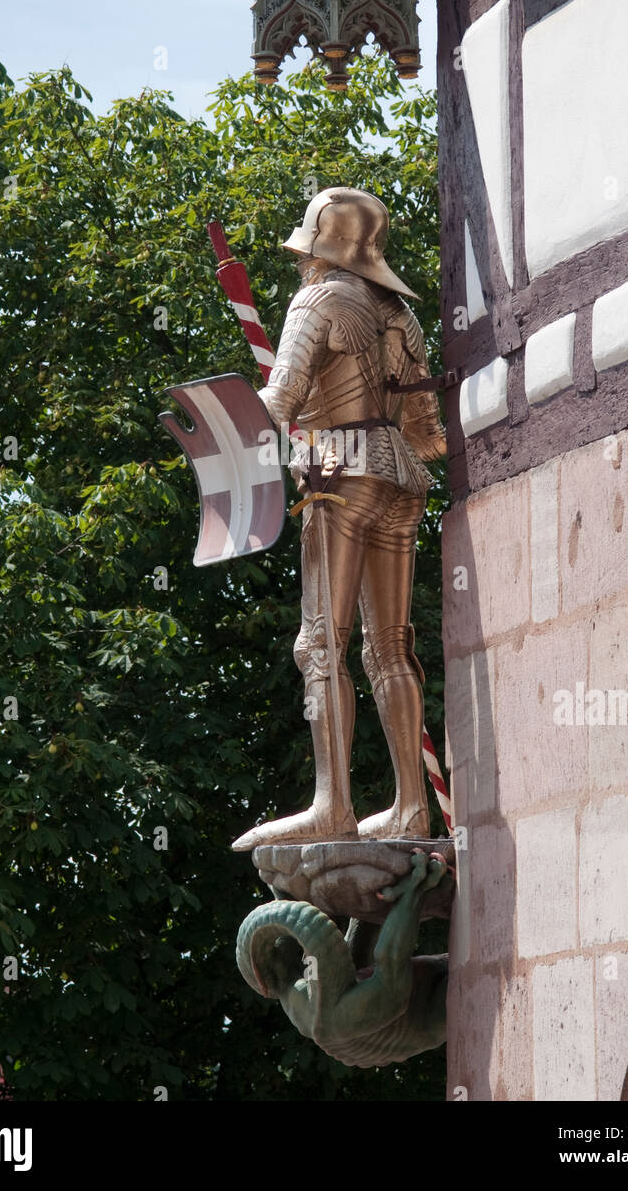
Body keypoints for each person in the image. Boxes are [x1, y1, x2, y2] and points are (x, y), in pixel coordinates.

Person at [231, 188, 446, 852]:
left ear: (319, 251)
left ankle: (332, 804)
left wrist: (242, 413)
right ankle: (411, 806)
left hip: (336, 471)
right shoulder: (398, 316)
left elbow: (280, 399)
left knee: (318, 642)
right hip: (400, 477)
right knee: (389, 644)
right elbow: (429, 434)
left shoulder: (316, 300)